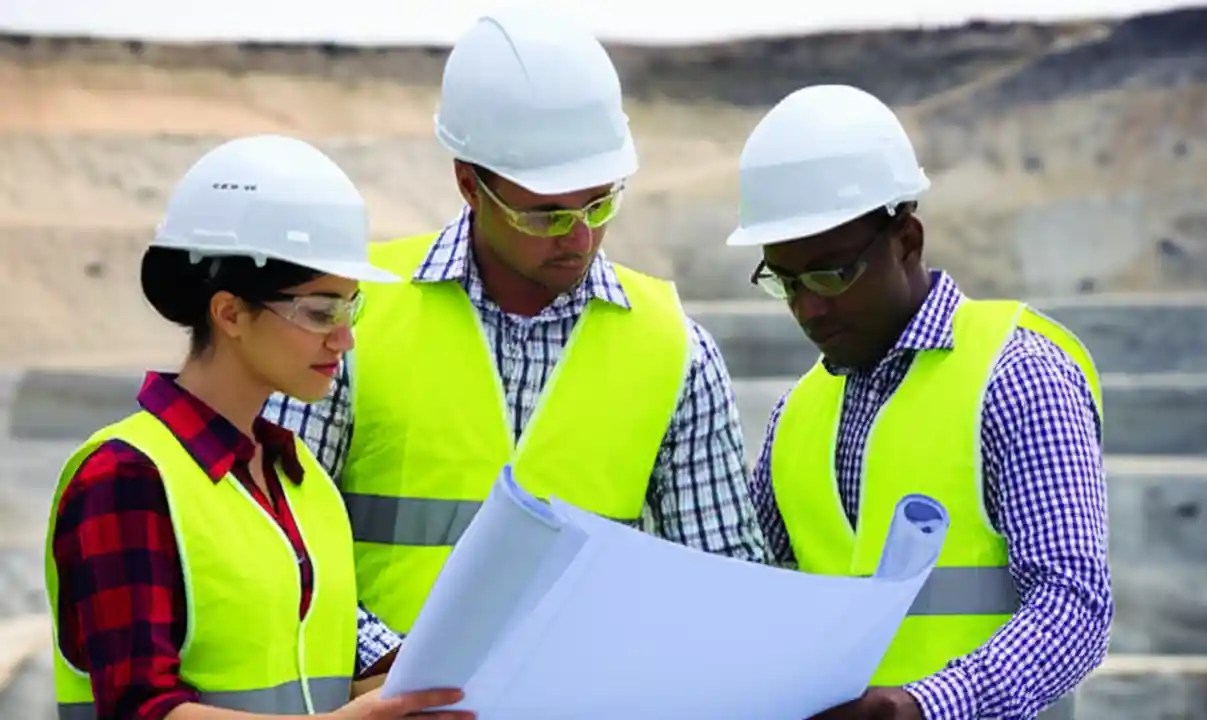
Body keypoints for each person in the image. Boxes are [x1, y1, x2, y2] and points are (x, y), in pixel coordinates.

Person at [263, 6, 769, 644]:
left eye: (600, 201)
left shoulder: (678, 352)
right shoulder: (351, 319)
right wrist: (391, 671)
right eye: (546, 214)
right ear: (470, 185)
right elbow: (274, 537)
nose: (580, 237)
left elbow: (720, 582)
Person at [44, 135, 472, 720]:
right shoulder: (127, 477)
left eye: (352, 309)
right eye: (321, 312)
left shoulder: (304, 484)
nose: (343, 337)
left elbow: (300, 687)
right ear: (230, 314)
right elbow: (140, 709)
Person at [730, 86, 1111, 720]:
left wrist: (924, 708)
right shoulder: (796, 417)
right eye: (786, 282)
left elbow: (1074, 606)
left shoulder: (1018, 380)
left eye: (830, 274)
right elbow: (761, 610)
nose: (808, 307)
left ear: (906, 239)